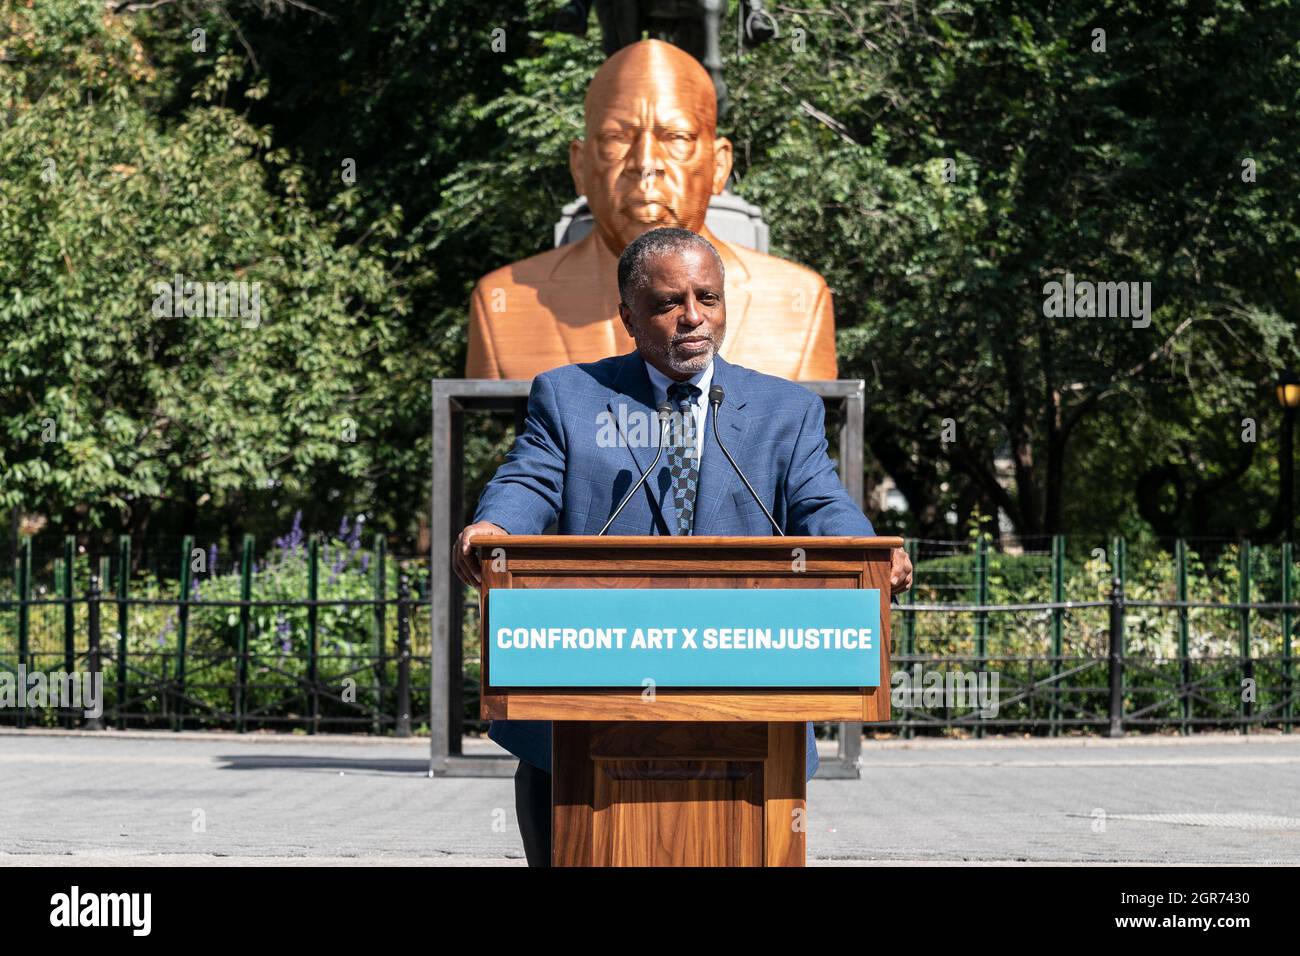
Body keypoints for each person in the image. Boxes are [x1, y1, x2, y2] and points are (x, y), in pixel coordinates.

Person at [454, 227, 913, 866]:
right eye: (669, 302)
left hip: (747, 708)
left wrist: (869, 551)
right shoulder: (570, 396)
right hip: (581, 707)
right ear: (628, 316)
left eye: (708, 298)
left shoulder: (785, 410)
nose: (692, 317)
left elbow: (819, 501)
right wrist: (495, 529)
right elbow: (529, 479)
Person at [464, 39, 840, 382]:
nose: (645, 163)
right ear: (579, 166)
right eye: (615, 138)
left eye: (676, 138)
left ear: (719, 165)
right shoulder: (503, 304)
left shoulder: (799, 302)